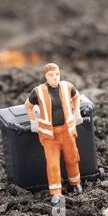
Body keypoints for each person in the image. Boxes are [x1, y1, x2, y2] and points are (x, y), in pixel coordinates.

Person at [25, 62, 83, 206]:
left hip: (67, 132)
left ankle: (75, 183)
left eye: (57, 74)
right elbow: (28, 106)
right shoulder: (38, 92)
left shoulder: (66, 86)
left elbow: (76, 96)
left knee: (73, 158)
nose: (55, 77)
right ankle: (56, 192)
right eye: (51, 75)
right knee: (53, 164)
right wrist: (34, 121)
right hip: (50, 137)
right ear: (46, 76)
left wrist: (76, 111)